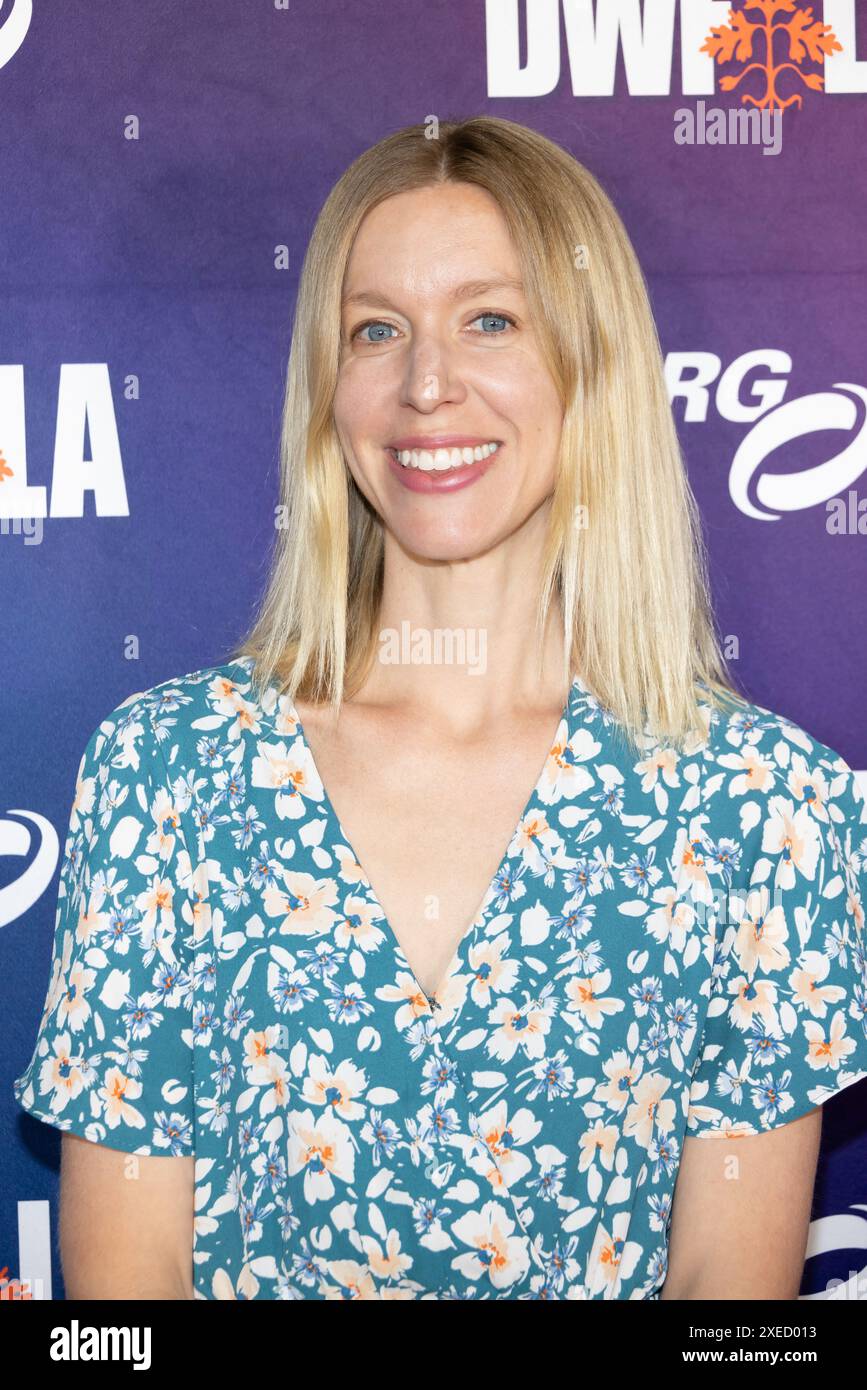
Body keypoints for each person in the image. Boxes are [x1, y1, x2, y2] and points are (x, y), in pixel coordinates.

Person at [13, 116, 867, 1301]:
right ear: (330, 384)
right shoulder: (170, 774)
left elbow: (730, 1298)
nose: (426, 384)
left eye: (490, 320)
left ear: (593, 359)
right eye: (377, 330)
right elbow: (122, 1299)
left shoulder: (765, 808)